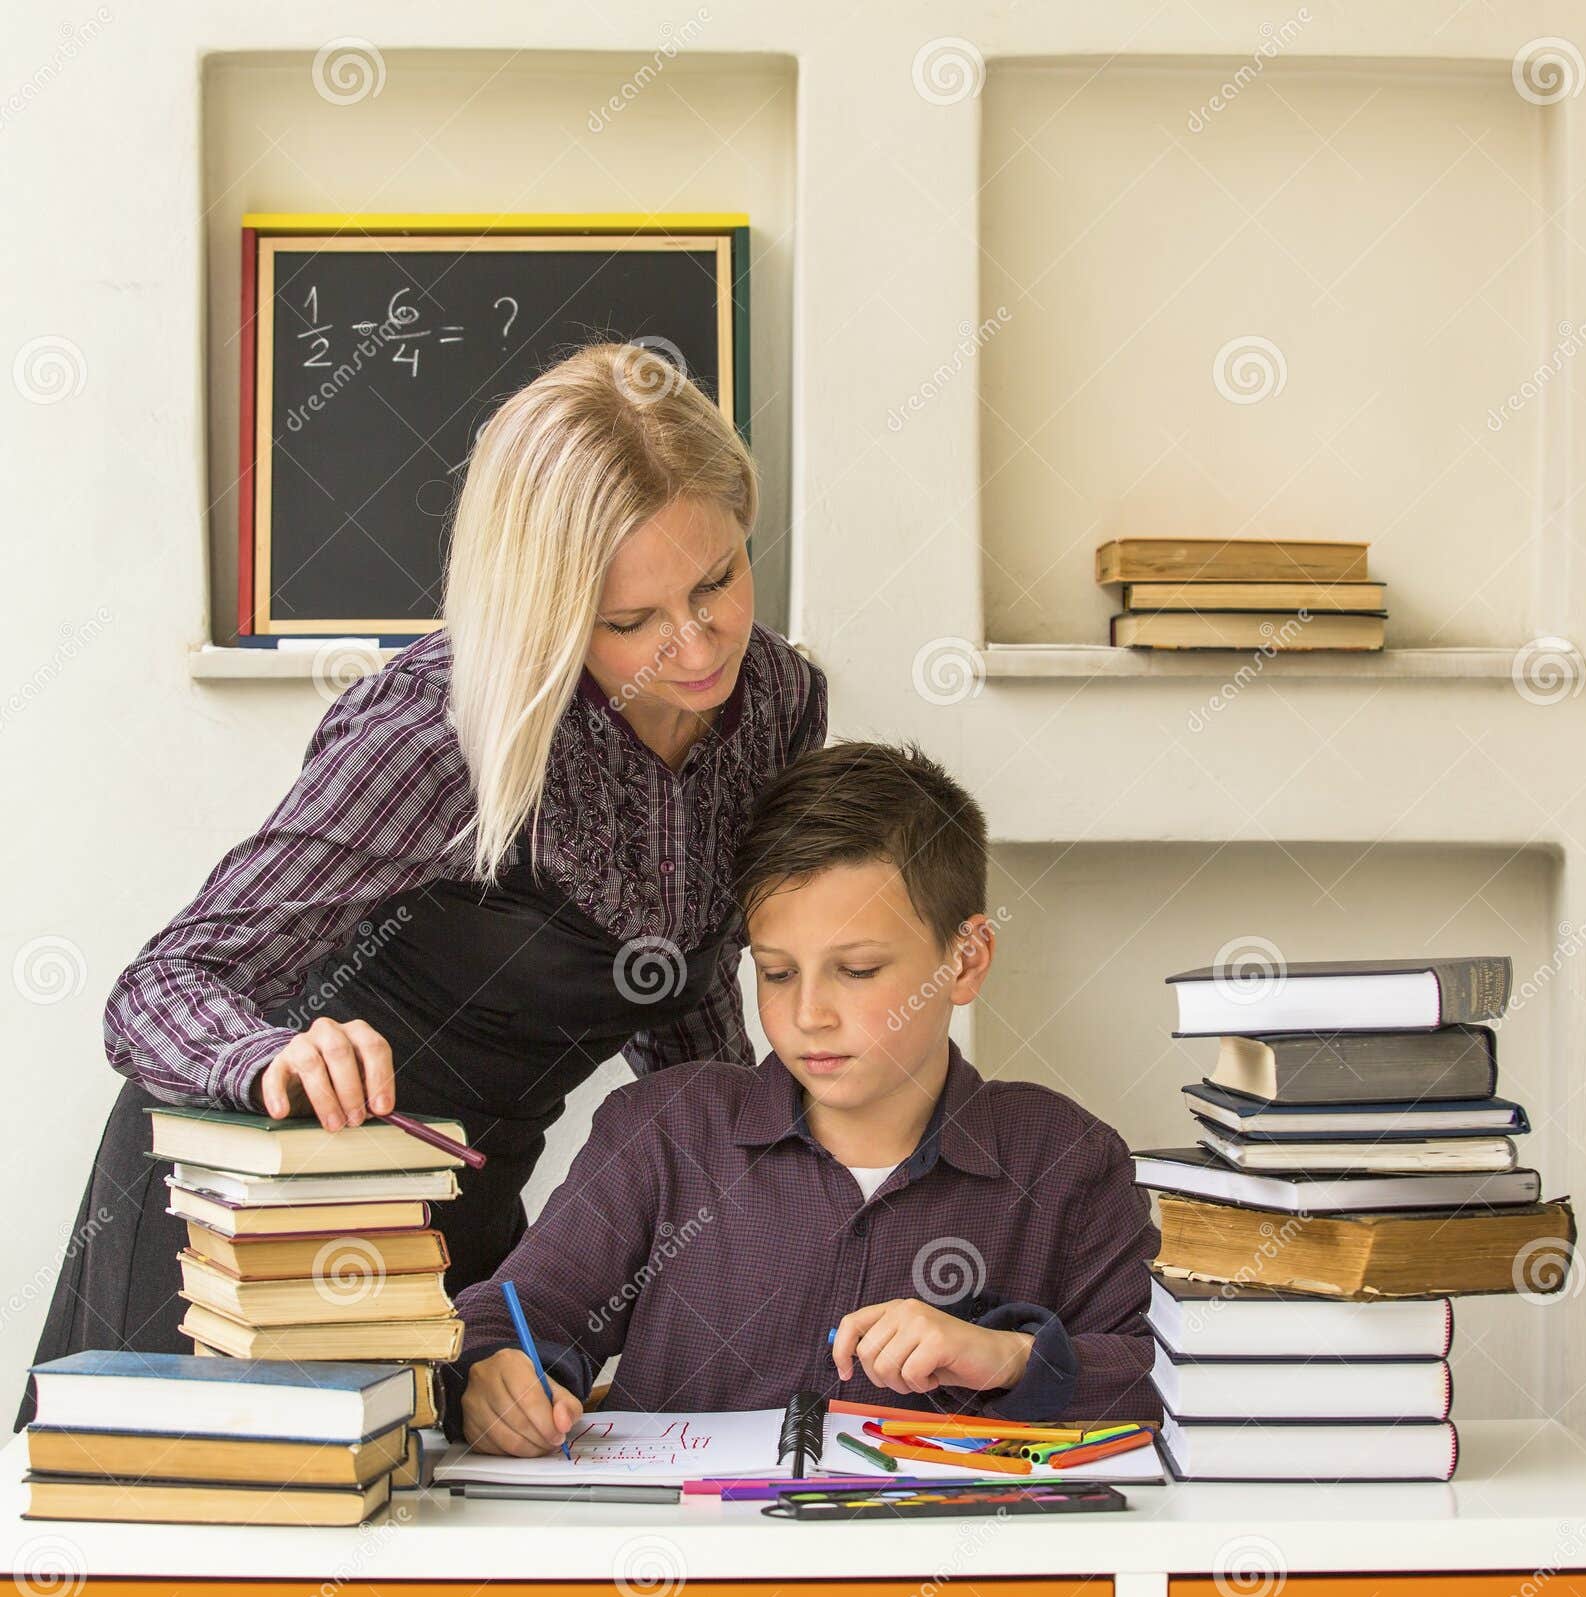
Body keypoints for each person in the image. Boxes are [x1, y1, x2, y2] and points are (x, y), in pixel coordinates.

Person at [18, 342, 826, 1429]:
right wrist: (271, 1058)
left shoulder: (776, 704)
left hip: (460, 1222)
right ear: (547, 608)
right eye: (630, 622)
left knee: (445, 1575)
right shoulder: (442, 730)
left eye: (717, 580)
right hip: (248, 1221)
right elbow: (159, 984)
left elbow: (682, 999)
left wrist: (771, 1174)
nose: (694, 643)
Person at [449, 741, 1161, 1451]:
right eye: (778, 974)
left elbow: (1157, 1382)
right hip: (689, 1555)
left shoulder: (1068, 1160)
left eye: (856, 970)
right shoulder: (665, 1133)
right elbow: (517, 1314)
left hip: (938, 1560)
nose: (809, 1014)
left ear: (965, 959)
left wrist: (1011, 1358)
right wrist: (497, 1373)